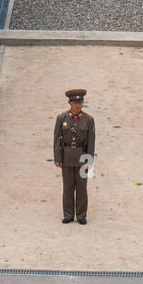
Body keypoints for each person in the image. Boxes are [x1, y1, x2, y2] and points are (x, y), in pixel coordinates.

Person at [53, 88, 95, 225]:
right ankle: (68, 215)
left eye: (80, 102)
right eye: (75, 102)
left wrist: (90, 160)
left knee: (82, 189)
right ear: (69, 103)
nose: (78, 104)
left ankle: (81, 215)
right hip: (67, 158)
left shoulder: (88, 120)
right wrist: (58, 158)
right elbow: (57, 139)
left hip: (82, 158)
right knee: (68, 188)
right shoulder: (61, 119)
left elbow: (91, 141)